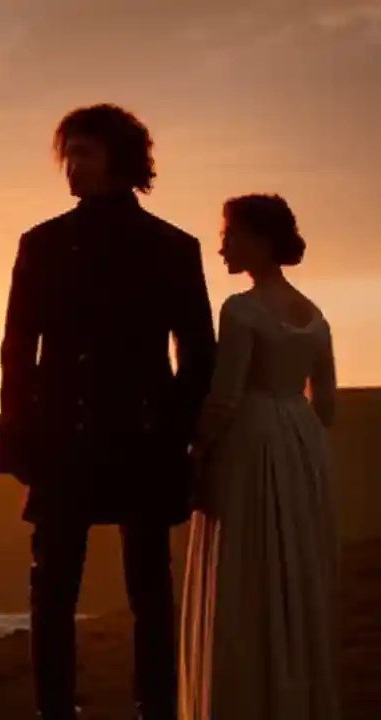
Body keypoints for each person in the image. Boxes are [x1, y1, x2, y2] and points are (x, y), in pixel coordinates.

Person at [0, 103, 217, 720]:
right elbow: (17, 348)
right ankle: (56, 711)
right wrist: (19, 439)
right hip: (61, 440)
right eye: (67, 153)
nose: (71, 166)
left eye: (84, 153)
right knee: (52, 591)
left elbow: (199, 352)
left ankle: (157, 709)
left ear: (120, 159)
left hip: (143, 442)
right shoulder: (40, 244)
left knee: (150, 586)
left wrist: (169, 428)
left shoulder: (173, 247)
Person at [178, 194, 341, 719]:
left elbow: (224, 398)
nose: (222, 243)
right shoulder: (315, 317)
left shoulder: (241, 310)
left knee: (246, 575)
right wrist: (299, 438)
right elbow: (328, 404)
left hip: (252, 446)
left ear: (259, 239)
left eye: (230, 232)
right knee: (292, 572)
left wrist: (198, 452)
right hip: (302, 443)